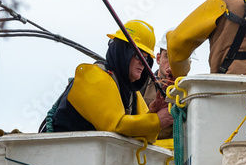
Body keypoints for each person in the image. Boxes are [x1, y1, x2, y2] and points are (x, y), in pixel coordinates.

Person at [40, 19, 172, 143]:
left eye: (146, 59)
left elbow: (147, 137)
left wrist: (153, 113)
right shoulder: (93, 78)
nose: (143, 63)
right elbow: (115, 125)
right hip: (60, 154)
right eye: (138, 56)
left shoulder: (132, 94)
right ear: (122, 52)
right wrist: (156, 120)